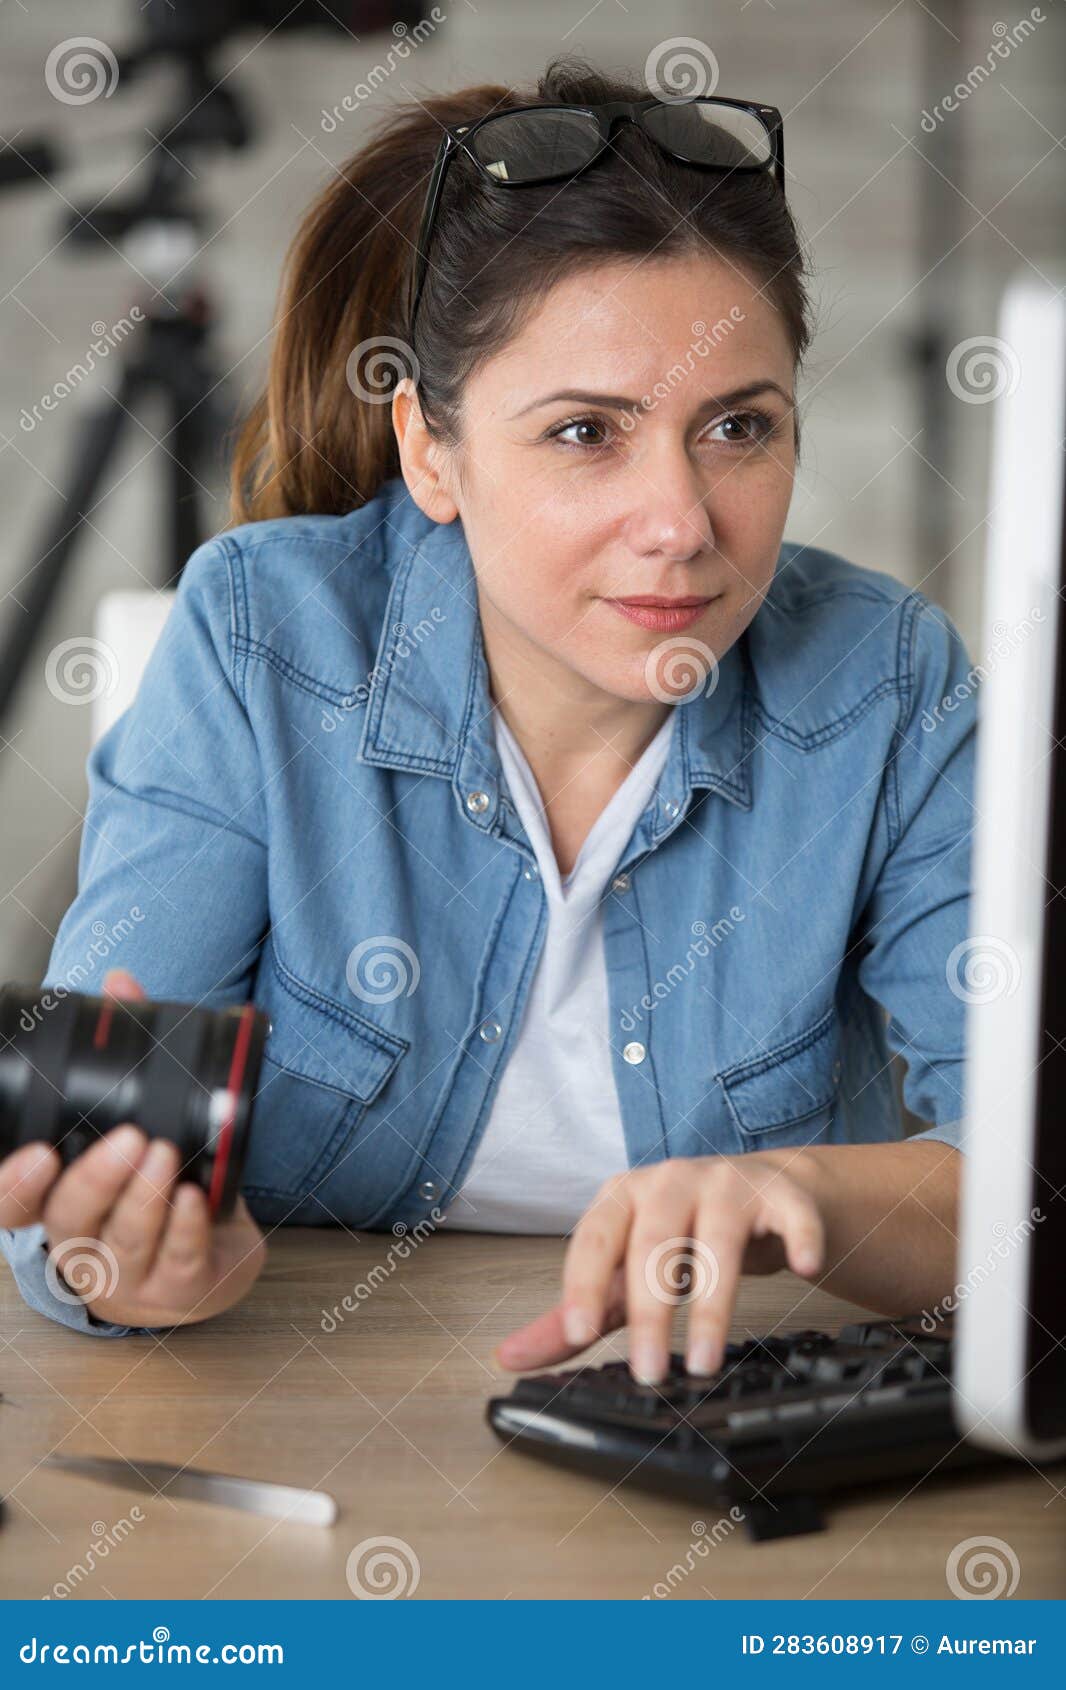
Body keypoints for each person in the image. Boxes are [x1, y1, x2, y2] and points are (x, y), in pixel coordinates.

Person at [0, 57, 976, 1386]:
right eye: (585, 432)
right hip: (299, 1419)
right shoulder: (258, 640)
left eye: (737, 427)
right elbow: (74, 1189)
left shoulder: (885, 681)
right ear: (429, 451)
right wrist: (135, 1264)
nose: (681, 524)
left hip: (710, 1431)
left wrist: (794, 1193)